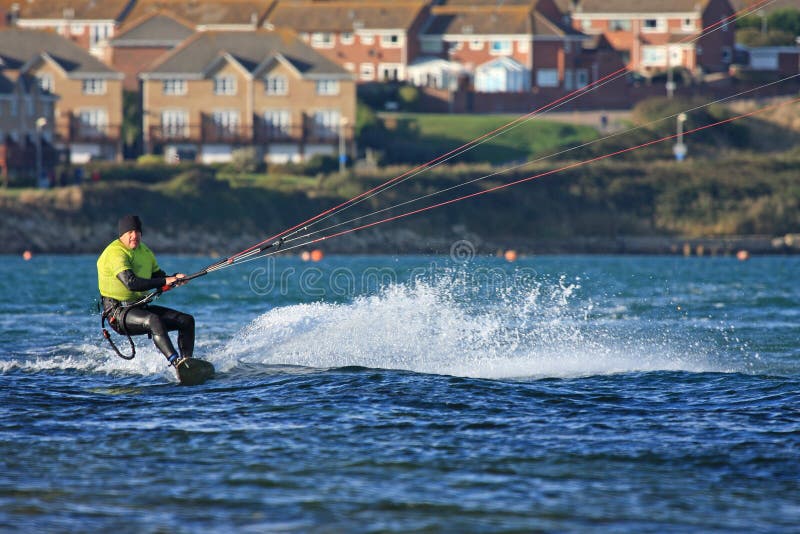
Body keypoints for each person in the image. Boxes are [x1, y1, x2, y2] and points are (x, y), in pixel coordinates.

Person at [97, 214, 194, 367]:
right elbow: (131, 283)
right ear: (122, 235)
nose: (134, 236)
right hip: (118, 312)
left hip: (140, 307)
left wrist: (175, 278)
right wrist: (164, 281)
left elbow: (158, 277)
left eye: (137, 232)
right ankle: (175, 362)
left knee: (186, 321)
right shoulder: (115, 252)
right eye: (130, 232)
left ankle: (188, 363)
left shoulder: (145, 251)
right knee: (154, 320)